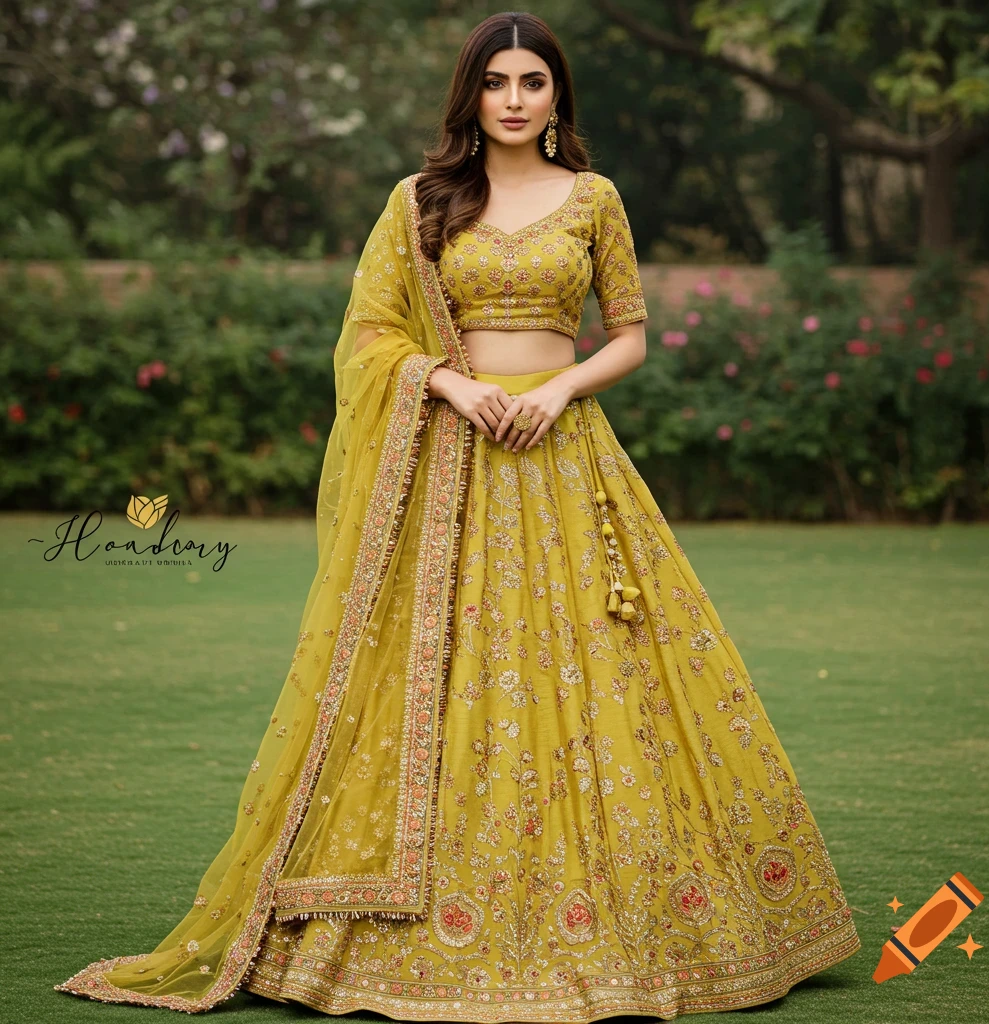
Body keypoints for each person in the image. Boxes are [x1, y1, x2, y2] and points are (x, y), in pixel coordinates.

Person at [55, 11, 860, 1020]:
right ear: (470, 96)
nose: (515, 99)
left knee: (608, 673)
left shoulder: (593, 198)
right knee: (438, 674)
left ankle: (646, 920)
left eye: (533, 81)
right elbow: (368, 335)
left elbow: (630, 336)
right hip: (452, 466)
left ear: (557, 94)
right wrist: (445, 381)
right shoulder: (421, 201)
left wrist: (559, 392)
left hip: (567, 460)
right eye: (496, 82)